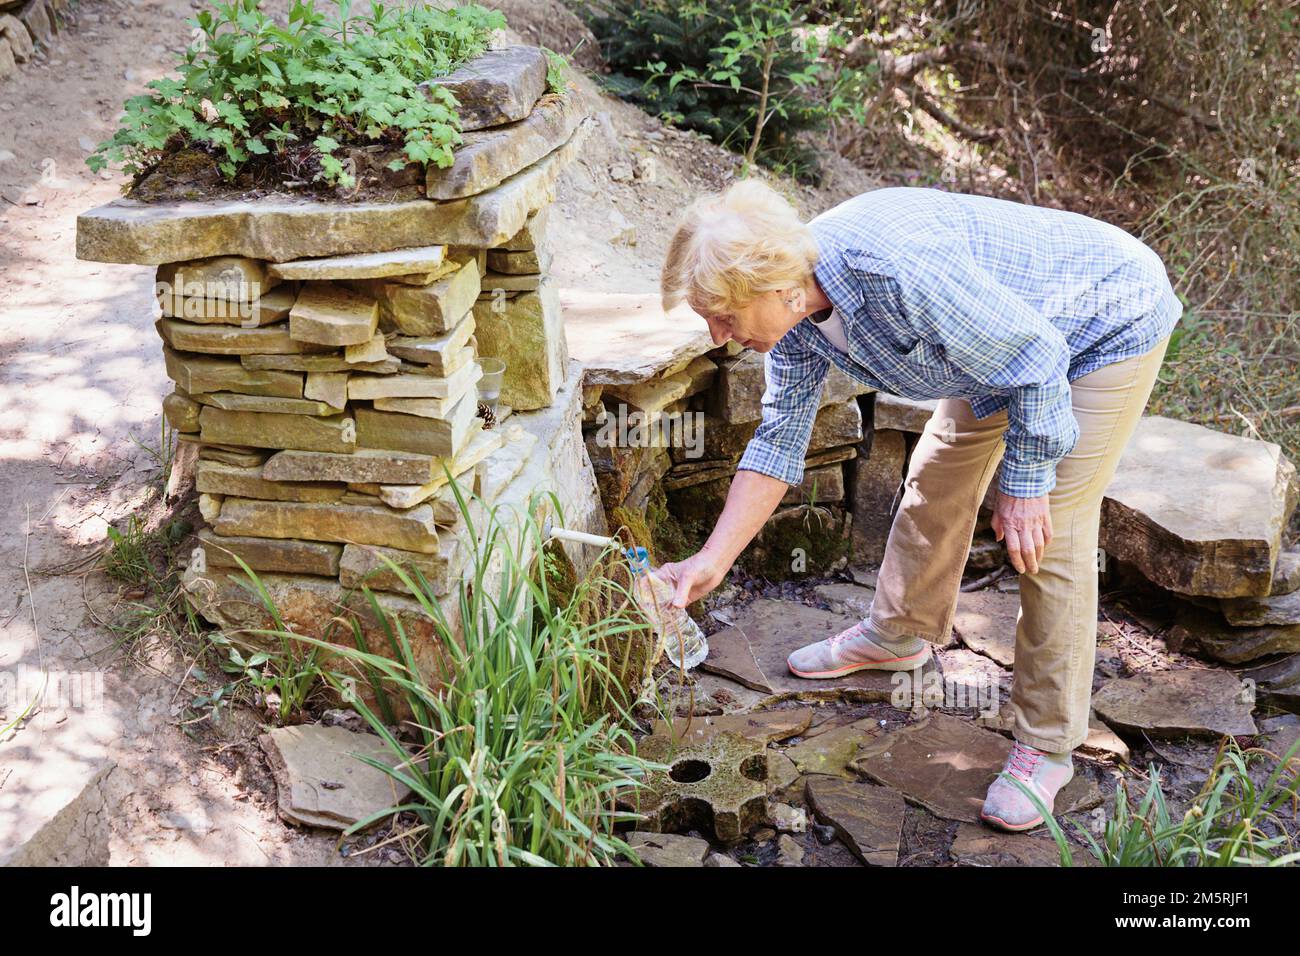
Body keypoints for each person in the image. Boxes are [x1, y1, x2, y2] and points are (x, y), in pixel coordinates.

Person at [655, 180, 1180, 832]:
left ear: (776, 288)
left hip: (1102, 318)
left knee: (1053, 528)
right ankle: (896, 634)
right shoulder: (793, 318)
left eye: (724, 317)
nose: (718, 334)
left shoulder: (892, 272)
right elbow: (778, 443)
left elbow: (1038, 356)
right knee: (938, 477)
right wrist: (711, 560)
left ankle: (1048, 744)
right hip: (1001, 343)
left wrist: (1025, 481)